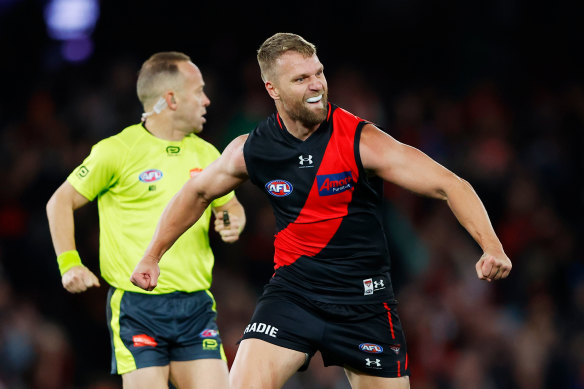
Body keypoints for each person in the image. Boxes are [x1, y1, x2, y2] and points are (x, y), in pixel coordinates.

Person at [130, 34, 512, 389]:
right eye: (301, 79)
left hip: (364, 303)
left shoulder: (362, 140)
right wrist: (152, 255)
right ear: (272, 89)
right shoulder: (253, 149)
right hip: (293, 296)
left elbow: (451, 184)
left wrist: (491, 245)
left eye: (319, 73)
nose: (316, 85)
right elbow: (195, 193)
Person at [46, 52, 245, 389]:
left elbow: (231, 206)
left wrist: (231, 219)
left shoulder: (208, 154)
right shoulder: (117, 150)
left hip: (196, 304)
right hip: (138, 307)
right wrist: (70, 263)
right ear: (171, 99)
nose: (207, 100)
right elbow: (59, 201)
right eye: (198, 91)